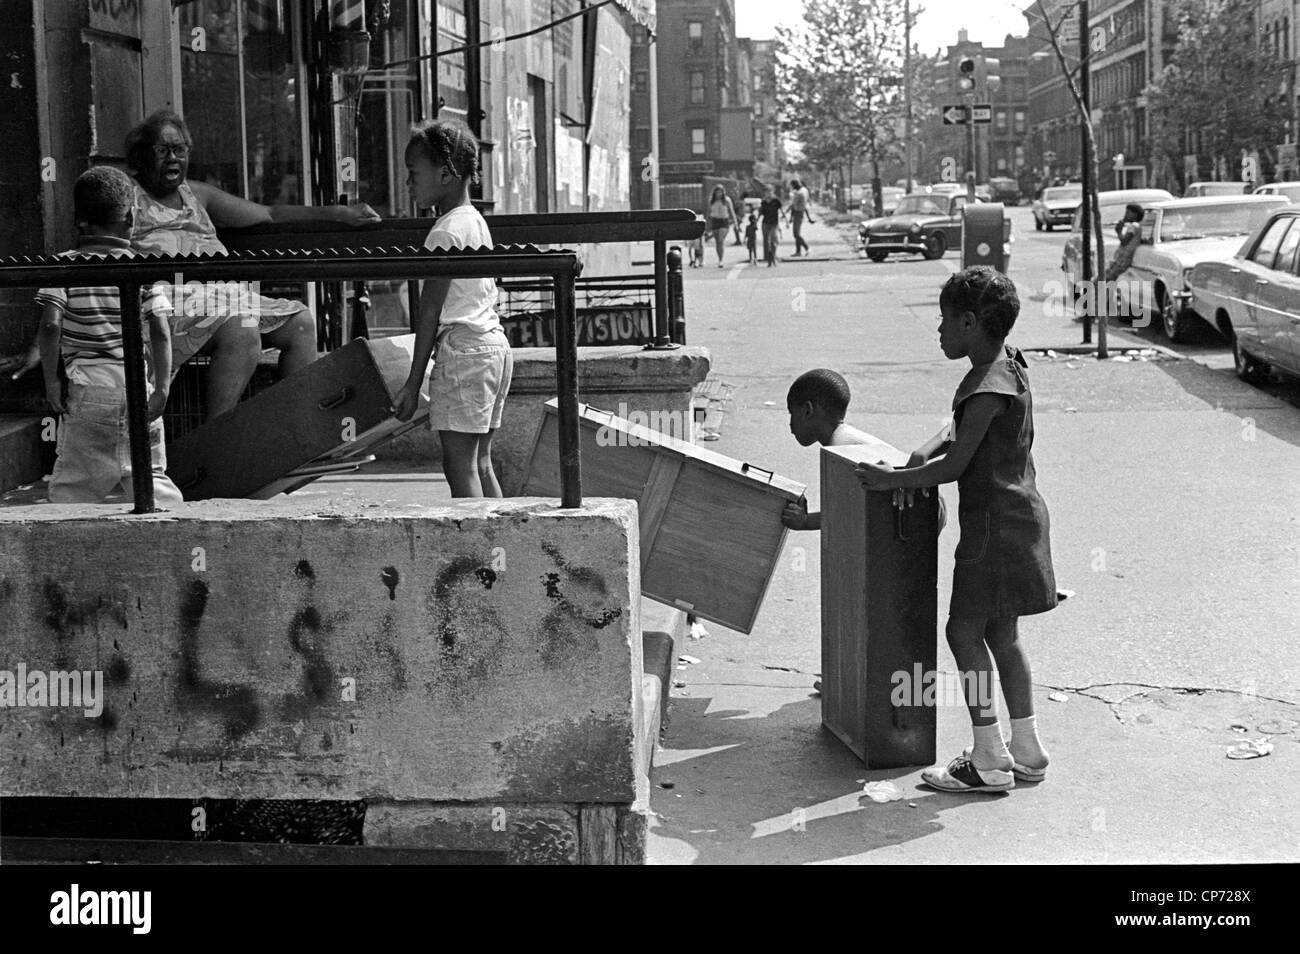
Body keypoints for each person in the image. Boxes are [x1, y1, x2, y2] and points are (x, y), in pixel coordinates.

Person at [856, 266, 1058, 794]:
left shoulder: (984, 384)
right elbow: (957, 433)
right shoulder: (1009, 366)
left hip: (991, 529)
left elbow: (953, 465)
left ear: (969, 323)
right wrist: (928, 446)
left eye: (945, 321)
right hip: (1022, 519)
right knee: (1003, 634)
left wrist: (887, 480)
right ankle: (1028, 748)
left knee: (961, 632)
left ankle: (989, 758)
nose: (939, 331)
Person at [126, 109, 380, 419]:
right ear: (140, 157)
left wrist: (337, 213)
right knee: (242, 328)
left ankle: (298, 430)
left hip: (221, 297)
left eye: (180, 149)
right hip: (169, 301)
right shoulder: (126, 196)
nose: (173, 158)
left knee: (301, 321)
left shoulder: (196, 194)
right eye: (162, 150)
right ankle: (220, 444)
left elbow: (268, 213)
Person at [34, 166, 183, 507]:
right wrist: (161, 388)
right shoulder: (143, 268)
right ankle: (176, 533)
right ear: (131, 218)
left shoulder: (64, 266)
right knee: (150, 479)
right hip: (136, 390)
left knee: (73, 489)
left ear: (77, 220)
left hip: (88, 392)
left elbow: (50, 326)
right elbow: (160, 330)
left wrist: (51, 383)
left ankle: (63, 553)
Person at [392, 119, 512, 498]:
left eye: (413, 174)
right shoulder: (474, 221)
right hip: (493, 348)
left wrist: (413, 385)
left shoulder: (444, 232)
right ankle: (501, 546)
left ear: (445, 174)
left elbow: (429, 313)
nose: (408, 183)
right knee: (480, 463)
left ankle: (476, 549)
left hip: (464, 354)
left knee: (458, 466)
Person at [780, 369, 920, 532]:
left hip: (914, 510)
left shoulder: (841, 450)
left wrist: (805, 521)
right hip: (918, 505)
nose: (790, 424)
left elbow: (847, 513)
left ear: (807, 410)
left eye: (791, 413)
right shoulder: (844, 438)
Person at [706, 186, 737, 268]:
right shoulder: (711, 201)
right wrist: (707, 224)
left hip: (724, 221)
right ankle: (719, 259)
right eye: (717, 192)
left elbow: (732, 211)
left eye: (720, 192)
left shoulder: (727, 200)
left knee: (720, 240)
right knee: (718, 242)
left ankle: (721, 260)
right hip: (715, 221)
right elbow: (708, 213)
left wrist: (735, 223)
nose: (719, 194)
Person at [786, 178, 815, 257]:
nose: (792, 188)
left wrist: (789, 216)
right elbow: (805, 205)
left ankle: (807, 247)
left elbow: (794, 206)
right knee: (797, 233)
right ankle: (798, 251)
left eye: (792, 186)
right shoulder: (805, 190)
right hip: (801, 212)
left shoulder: (798, 193)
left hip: (798, 213)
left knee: (796, 234)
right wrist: (809, 218)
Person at [759, 186, 784, 266]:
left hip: (774, 223)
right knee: (766, 241)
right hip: (765, 223)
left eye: (770, 191)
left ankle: (773, 255)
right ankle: (768, 258)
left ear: (773, 192)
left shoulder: (776, 201)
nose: (768, 193)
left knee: (774, 241)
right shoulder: (763, 202)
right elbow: (761, 212)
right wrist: (756, 220)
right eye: (766, 191)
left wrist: (785, 221)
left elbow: (781, 210)